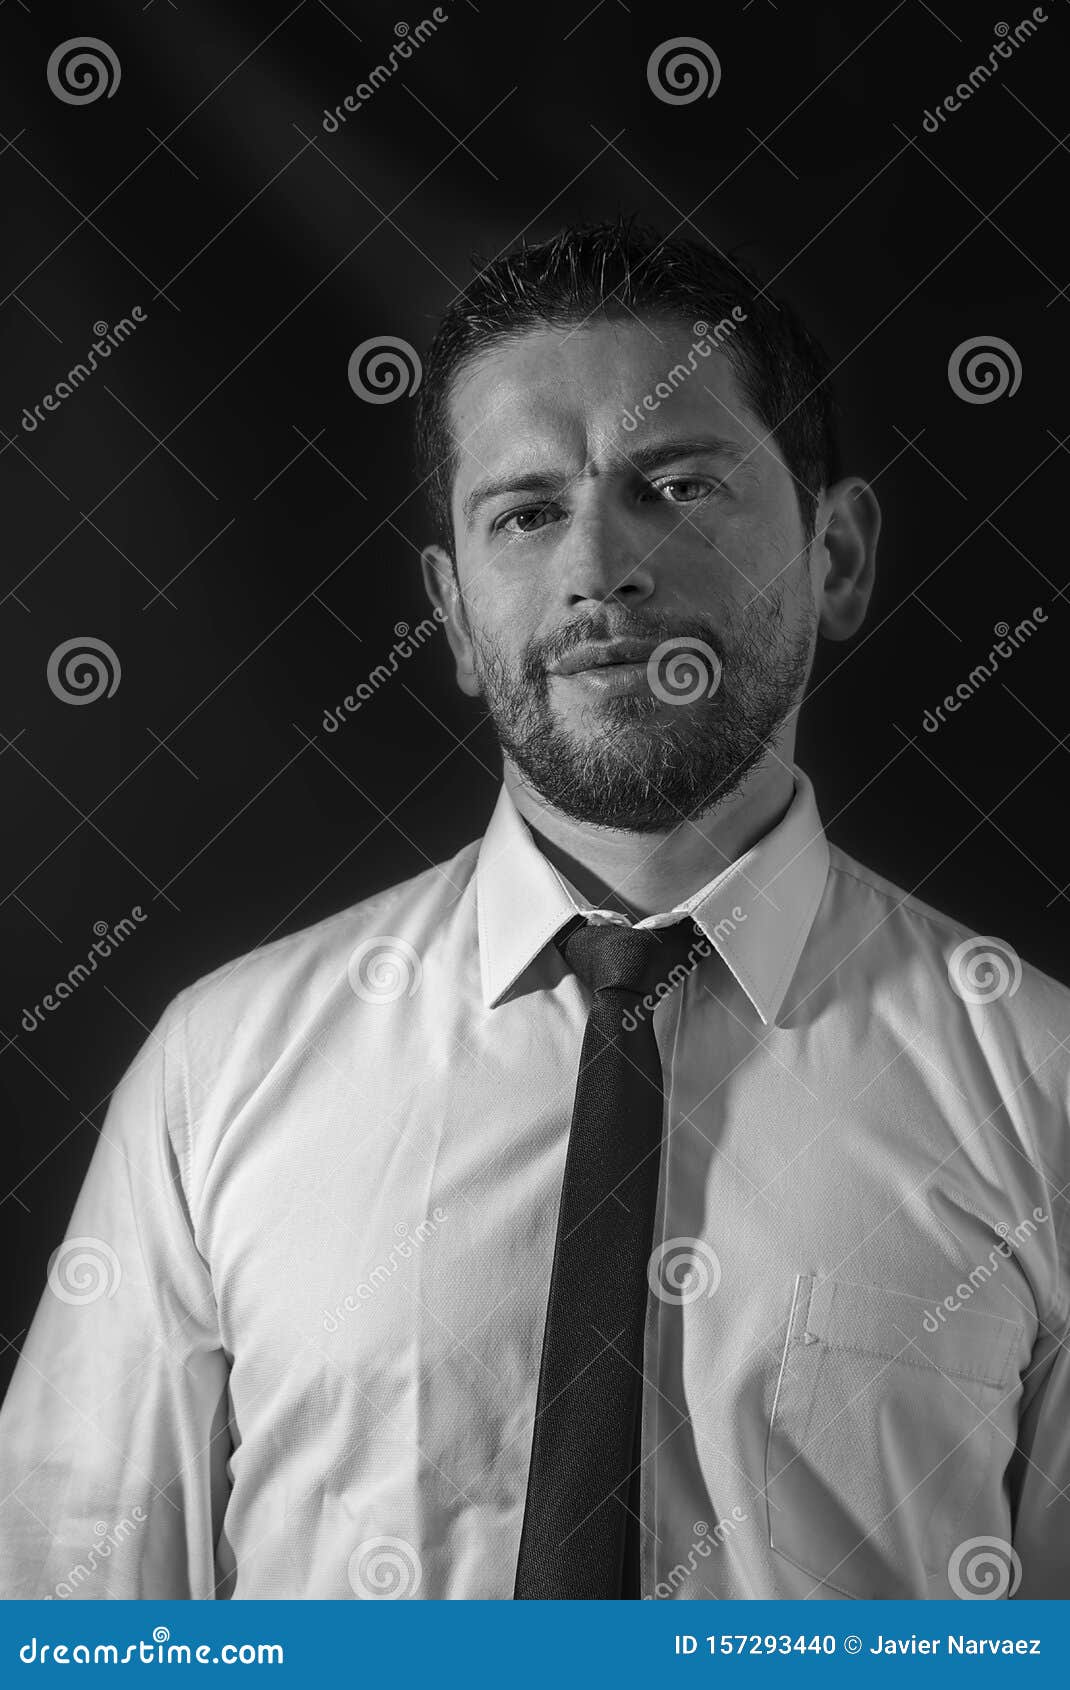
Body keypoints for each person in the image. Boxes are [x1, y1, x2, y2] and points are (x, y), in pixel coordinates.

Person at [1, 219, 1067, 1602]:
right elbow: (66, 1618)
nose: (596, 570)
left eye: (676, 486)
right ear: (450, 612)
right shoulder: (221, 1074)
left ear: (836, 554)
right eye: (524, 512)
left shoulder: (1040, 1085)